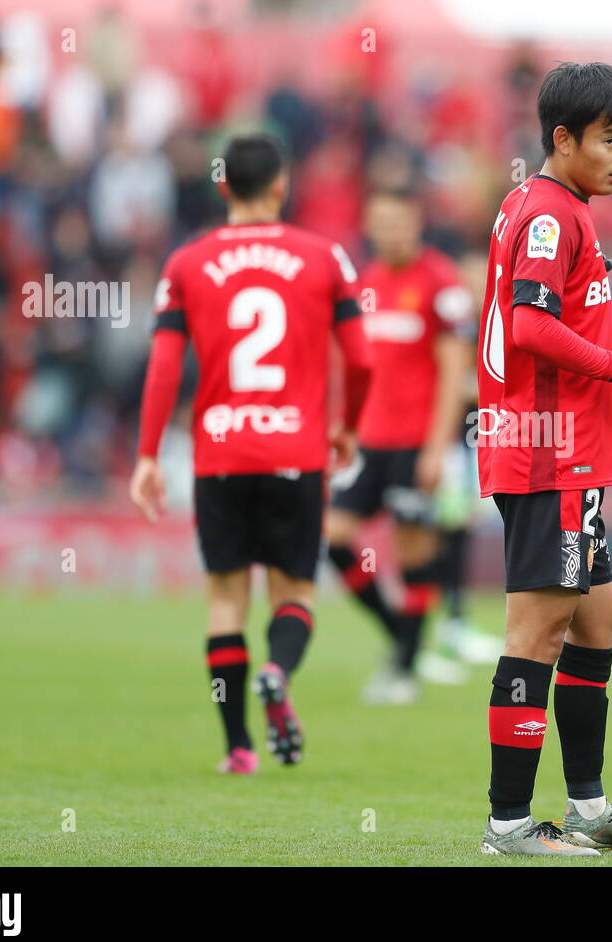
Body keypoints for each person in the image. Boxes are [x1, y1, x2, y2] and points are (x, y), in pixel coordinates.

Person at [129, 134, 372, 774]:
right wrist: (347, 426)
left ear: (222, 185)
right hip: (297, 451)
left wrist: (148, 455)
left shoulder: (186, 262)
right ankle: (277, 671)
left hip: (220, 454)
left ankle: (238, 747)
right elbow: (362, 358)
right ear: (281, 185)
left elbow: (163, 366)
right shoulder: (324, 256)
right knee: (295, 593)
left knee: (224, 602)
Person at [475, 61, 612, 856]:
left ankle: (587, 806)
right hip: (547, 453)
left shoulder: (537, 203)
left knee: (598, 619)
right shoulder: (553, 216)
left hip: (559, 454)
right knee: (538, 633)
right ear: (563, 138)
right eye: (609, 139)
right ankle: (509, 824)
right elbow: (529, 326)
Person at [325, 189, 476, 703]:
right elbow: (356, 365)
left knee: (413, 552)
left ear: (416, 223)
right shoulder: (365, 282)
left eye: (397, 221)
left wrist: (437, 449)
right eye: (380, 222)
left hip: (416, 442)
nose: (388, 232)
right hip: (370, 440)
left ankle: (404, 671)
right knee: (334, 536)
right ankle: (399, 634)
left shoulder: (440, 282)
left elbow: (454, 372)